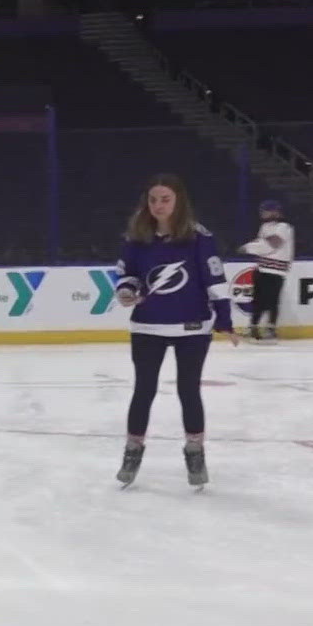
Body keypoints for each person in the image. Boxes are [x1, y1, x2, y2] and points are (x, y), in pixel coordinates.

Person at [112, 174, 239, 488]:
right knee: (144, 390)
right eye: (153, 199)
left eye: (165, 199)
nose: (158, 205)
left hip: (193, 328)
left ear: (179, 201)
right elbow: (127, 274)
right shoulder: (135, 237)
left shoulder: (199, 237)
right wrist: (127, 291)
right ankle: (133, 450)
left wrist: (224, 321)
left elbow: (215, 280)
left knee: (188, 390)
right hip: (147, 326)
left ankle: (195, 451)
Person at [240, 199, 294, 342]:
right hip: (262, 268)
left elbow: (271, 244)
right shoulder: (264, 227)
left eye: (265, 210)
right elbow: (261, 244)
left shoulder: (284, 227)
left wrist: (248, 247)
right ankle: (253, 327)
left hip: (276, 271)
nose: (262, 213)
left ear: (275, 212)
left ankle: (270, 330)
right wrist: (254, 247)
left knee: (271, 301)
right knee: (257, 300)